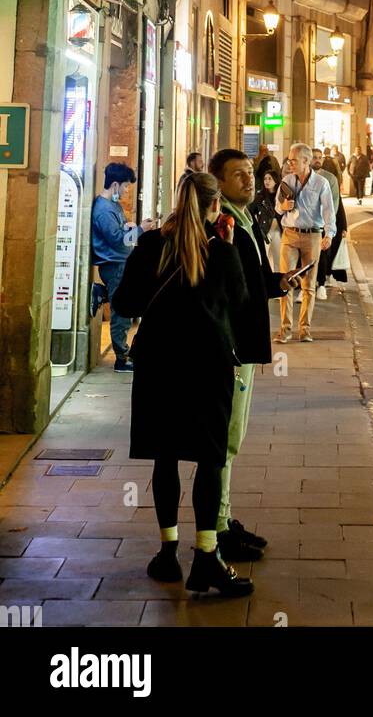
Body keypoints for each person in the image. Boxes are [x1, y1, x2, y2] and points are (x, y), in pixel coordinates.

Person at [112, 172, 254, 598]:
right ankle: (207, 556)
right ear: (215, 208)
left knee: (166, 456)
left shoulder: (151, 246)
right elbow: (241, 305)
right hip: (208, 369)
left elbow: (125, 303)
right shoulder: (222, 254)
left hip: (159, 366)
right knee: (209, 460)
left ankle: (168, 551)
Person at [208, 148, 295, 561]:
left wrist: (277, 283)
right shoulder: (221, 224)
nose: (247, 180)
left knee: (233, 438)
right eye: (237, 175)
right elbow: (230, 288)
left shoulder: (245, 219)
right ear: (218, 183)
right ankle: (218, 529)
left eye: (248, 173)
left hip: (243, 344)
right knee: (225, 440)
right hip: (231, 346)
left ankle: (224, 519)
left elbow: (251, 278)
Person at [91, 163, 153, 373]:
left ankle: (101, 293)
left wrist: (132, 227)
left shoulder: (113, 206)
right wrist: (140, 230)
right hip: (114, 265)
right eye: (125, 186)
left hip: (120, 263)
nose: (127, 191)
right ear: (115, 185)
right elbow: (119, 240)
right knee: (121, 313)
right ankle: (121, 357)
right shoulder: (103, 211)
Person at [274, 143, 335, 342]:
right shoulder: (286, 181)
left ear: (305, 161)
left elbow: (328, 210)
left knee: (309, 285)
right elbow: (278, 208)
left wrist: (329, 234)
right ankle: (285, 329)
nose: (290, 163)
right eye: (289, 160)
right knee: (285, 282)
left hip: (312, 235)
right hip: (290, 234)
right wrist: (284, 205)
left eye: (294, 160)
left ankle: (305, 329)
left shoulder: (321, 183)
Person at [311, 147, 347, 300]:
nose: (318, 159)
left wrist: (331, 226)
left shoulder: (330, 179)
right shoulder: (300, 177)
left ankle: (321, 285)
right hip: (307, 225)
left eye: (320, 157)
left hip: (323, 223)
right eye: (314, 157)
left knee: (323, 254)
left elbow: (335, 204)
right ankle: (308, 286)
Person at [249, 169, 281, 264]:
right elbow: (251, 210)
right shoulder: (260, 196)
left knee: (278, 257)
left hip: (279, 228)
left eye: (269, 179)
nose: (267, 181)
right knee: (266, 256)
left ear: (275, 180)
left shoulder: (280, 195)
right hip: (265, 229)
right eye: (265, 179)